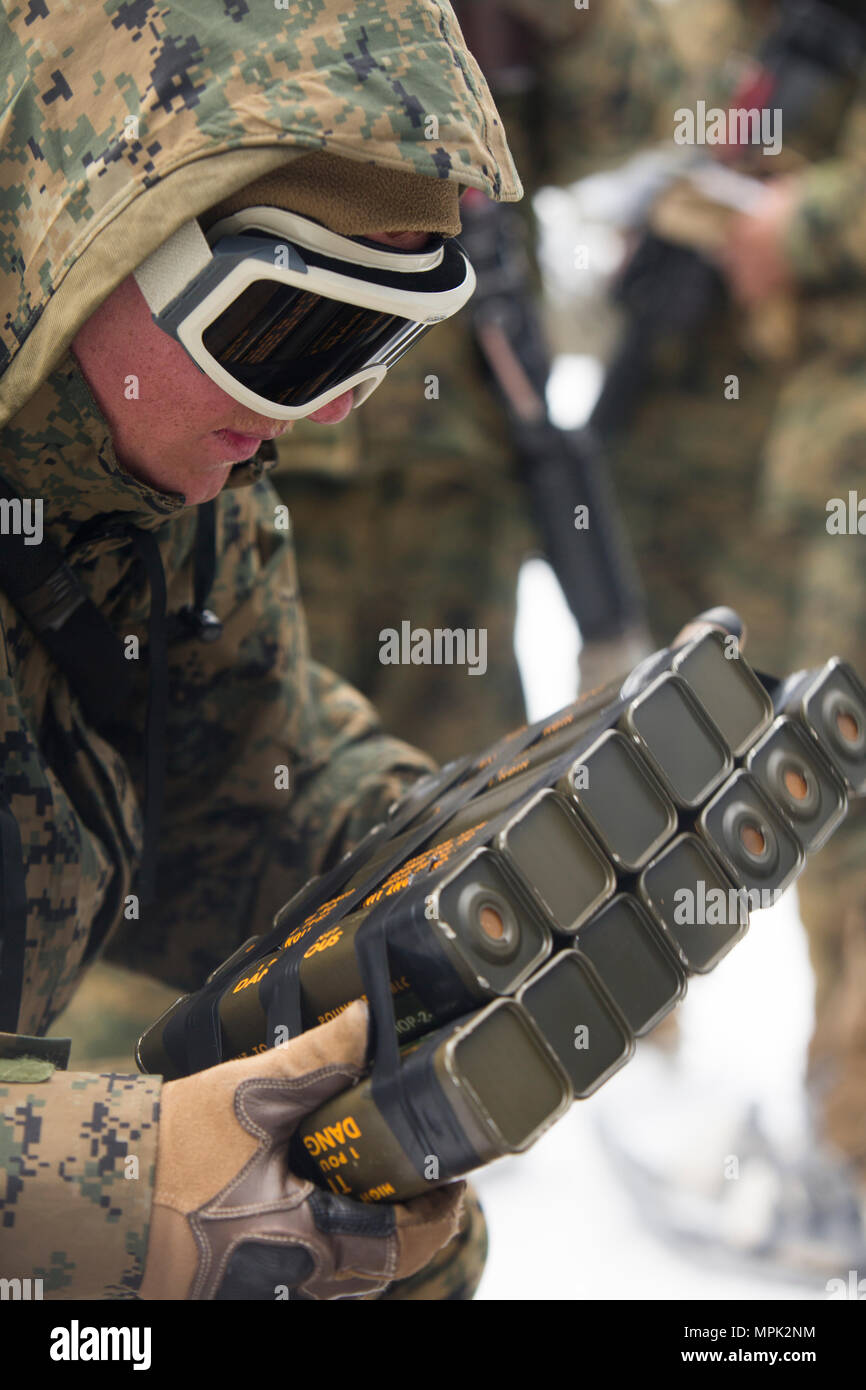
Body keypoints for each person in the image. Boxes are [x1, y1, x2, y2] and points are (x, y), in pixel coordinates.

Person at [0, 0, 521, 1299]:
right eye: (298, 332)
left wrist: (457, 868)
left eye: (387, 341)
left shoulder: (153, 499)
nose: (331, 411)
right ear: (79, 227)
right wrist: (108, 1192)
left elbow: (246, 782)